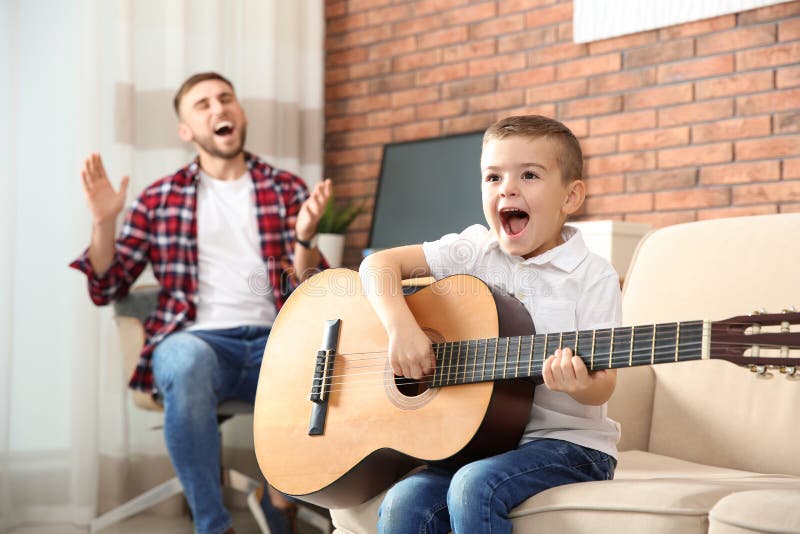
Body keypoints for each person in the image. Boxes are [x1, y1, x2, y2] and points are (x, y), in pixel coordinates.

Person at [70, 72, 330, 534]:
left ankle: (281, 496)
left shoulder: (286, 189)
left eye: (226, 99)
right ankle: (214, 526)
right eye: (203, 104)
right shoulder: (159, 198)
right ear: (186, 130)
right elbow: (105, 287)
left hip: (275, 344)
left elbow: (312, 291)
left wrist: (305, 238)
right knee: (186, 359)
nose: (218, 109)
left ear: (241, 114)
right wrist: (105, 224)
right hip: (197, 345)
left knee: (322, 357)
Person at [358, 115, 621, 534]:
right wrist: (401, 329)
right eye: (493, 176)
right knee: (402, 502)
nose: (507, 189)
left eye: (529, 175)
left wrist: (579, 383)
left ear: (570, 197)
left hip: (569, 445)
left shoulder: (592, 275)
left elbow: (604, 382)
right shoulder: (475, 250)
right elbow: (377, 265)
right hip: (479, 441)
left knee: (473, 486)